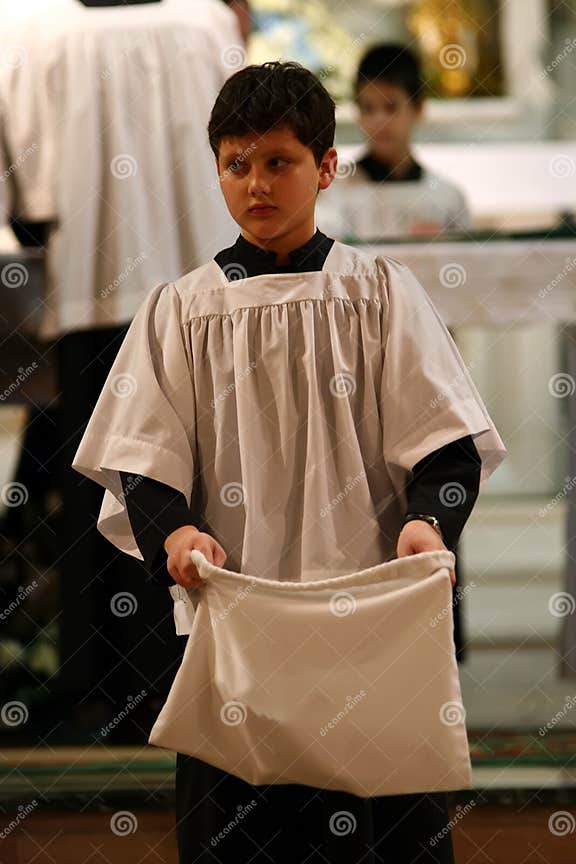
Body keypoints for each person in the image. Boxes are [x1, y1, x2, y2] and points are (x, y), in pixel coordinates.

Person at [72, 61, 507, 862]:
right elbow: (141, 461)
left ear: (327, 166)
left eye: (279, 161)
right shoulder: (182, 309)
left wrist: (426, 521)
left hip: (369, 616)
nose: (257, 184)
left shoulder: (380, 294)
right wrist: (176, 536)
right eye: (236, 164)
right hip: (237, 619)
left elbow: (446, 446)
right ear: (216, 170)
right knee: (240, 831)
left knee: (385, 830)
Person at [0, 0, 250, 739]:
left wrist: (42, 213)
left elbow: (28, 179)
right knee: (194, 476)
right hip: (196, 289)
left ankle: (97, 684)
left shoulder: (44, 34)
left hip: (93, 286)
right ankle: (190, 672)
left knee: (97, 484)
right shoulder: (204, 24)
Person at [316, 42, 472, 240]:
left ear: (418, 108)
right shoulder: (334, 193)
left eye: (391, 107)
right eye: (368, 108)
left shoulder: (447, 198)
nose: (379, 120)